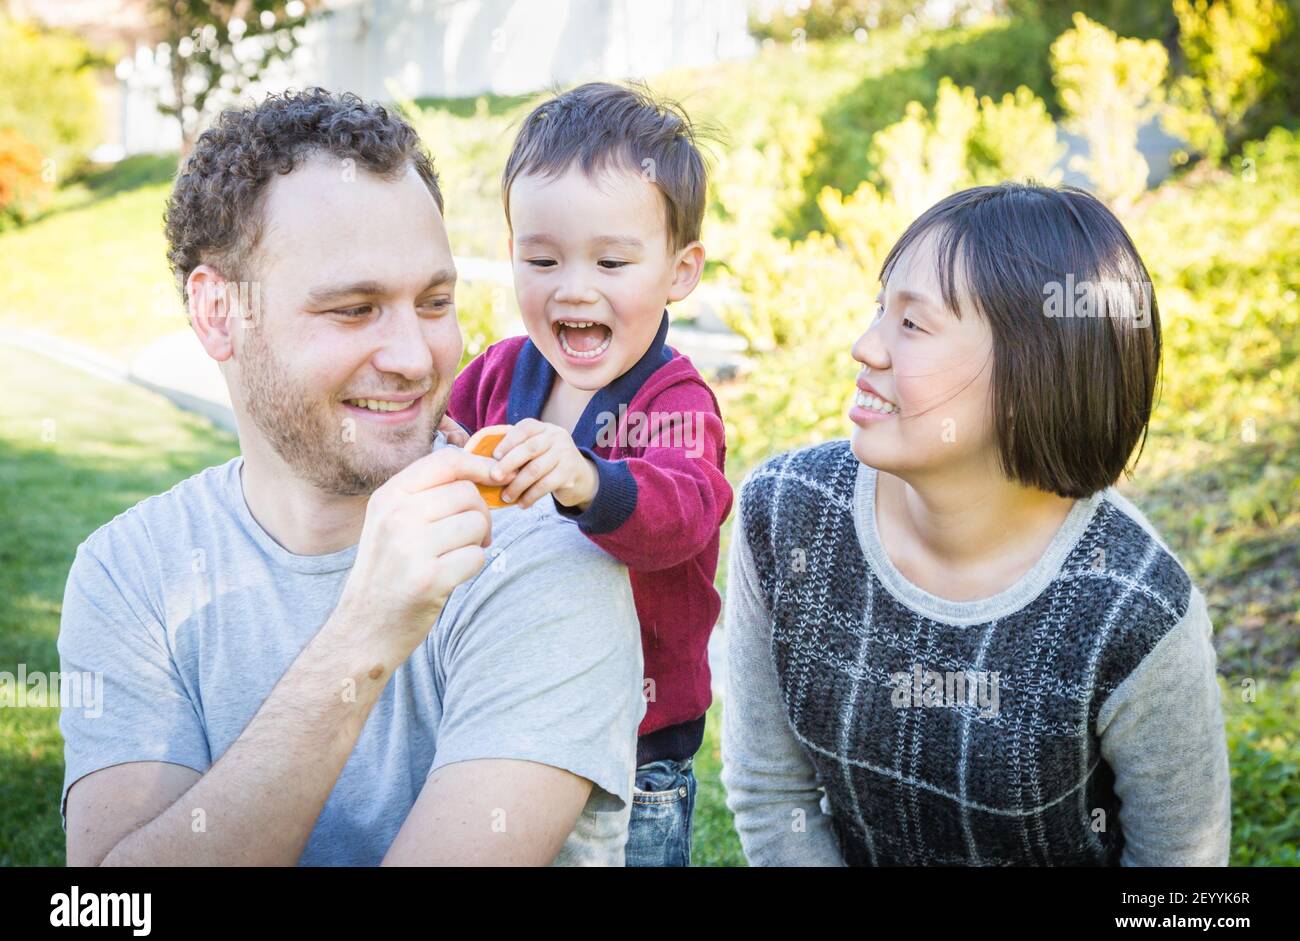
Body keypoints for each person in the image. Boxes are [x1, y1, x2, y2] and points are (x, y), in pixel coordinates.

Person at [57, 88, 644, 866]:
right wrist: (362, 636)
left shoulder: (542, 560)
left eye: (435, 301)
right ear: (218, 312)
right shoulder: (129, 571)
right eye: (355, 308)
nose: (414, 357)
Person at [721, 182, 1231, 866]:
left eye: (912, 324)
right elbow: (771, 791)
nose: (865, 347)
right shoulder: (785, 513)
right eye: (881, 310)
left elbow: (1178, 866)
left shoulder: (1134, 610)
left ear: (1033, 372)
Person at [446, 82, 733, 866]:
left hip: (634, 753)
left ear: (680, 271)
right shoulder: (499, 374)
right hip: (512, 714)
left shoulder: (674, 400)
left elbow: (684, 513)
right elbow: (449, 457)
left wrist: (587, 479)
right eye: (541, 258)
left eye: (611, 260)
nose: (574, 287)